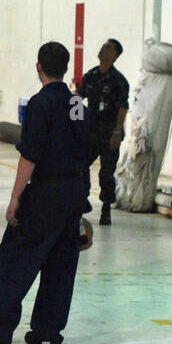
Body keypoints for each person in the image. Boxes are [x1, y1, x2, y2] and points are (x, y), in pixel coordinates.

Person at [0, 42, 93, 344]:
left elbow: (30, 155)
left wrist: (15, 199)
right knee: (61, 264)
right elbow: (87, 151)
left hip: (45, 192)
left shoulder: (40, 103)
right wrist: (81, 203)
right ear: (65, 67)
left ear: (39, 67)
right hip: (72, 193)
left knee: (15, 259)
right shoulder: (76, 104)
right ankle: (48, 333)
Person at [74, 38, 130, 225]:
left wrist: (117, 132)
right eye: (102, 46)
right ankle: (81, 201)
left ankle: (106, 208)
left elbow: (122, 108)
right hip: (90, 131)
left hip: (109, 133)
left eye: (107, 48)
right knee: (80, 165)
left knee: (106, 172)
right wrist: (74, 121)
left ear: (114, 56)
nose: (102, 49)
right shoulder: (91, 75)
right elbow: (79, 97)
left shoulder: (119, 81)